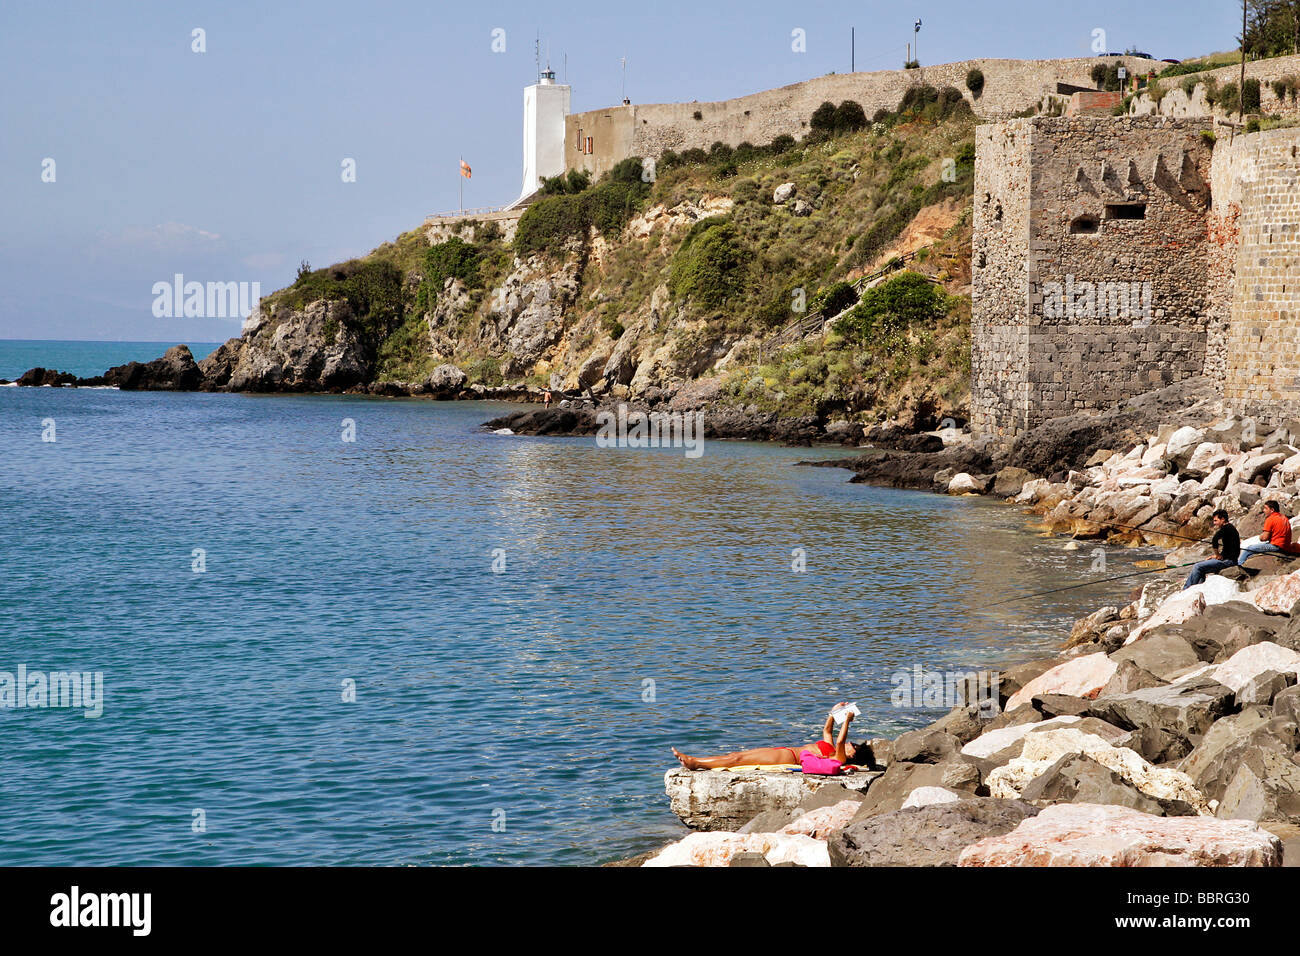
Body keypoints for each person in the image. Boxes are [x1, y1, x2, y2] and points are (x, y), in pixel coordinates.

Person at [671, 703, 871, 774]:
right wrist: (836, 712)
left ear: (852, 756)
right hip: (784, 751)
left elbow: (838, 741)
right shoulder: (828, 746)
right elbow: (828, 731)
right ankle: (697, 761)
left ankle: (695, 762)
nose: (849, 743)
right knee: (736, 755)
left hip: (788, 758)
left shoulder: (840, 758)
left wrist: (848, 722)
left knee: (736, 760)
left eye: (853, 746)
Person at [1184, 510, 1240, 588]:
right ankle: (1197, 589)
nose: (1214, 523)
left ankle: (1186, 589)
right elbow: (1229, 549)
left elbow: (1214, 540)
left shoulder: (1226, 529)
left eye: (1215, 520)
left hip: (1229, 562)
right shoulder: (1230, 528)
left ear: (1223, 519)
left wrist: (1217, 555)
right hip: (1229, 559)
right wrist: (1216, 556)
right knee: (1202, 568)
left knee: (1198, 567)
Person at [1238, 500, 1295, 566]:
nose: (1264, 510)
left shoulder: (1270, 519)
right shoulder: (1284, 518)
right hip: (1285, 546)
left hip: (1276, 546)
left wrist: (1260, 537)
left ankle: (1239, 565)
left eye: (1265, 508)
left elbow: (1264, 538)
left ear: (1272, 510)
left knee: (1248, 549)